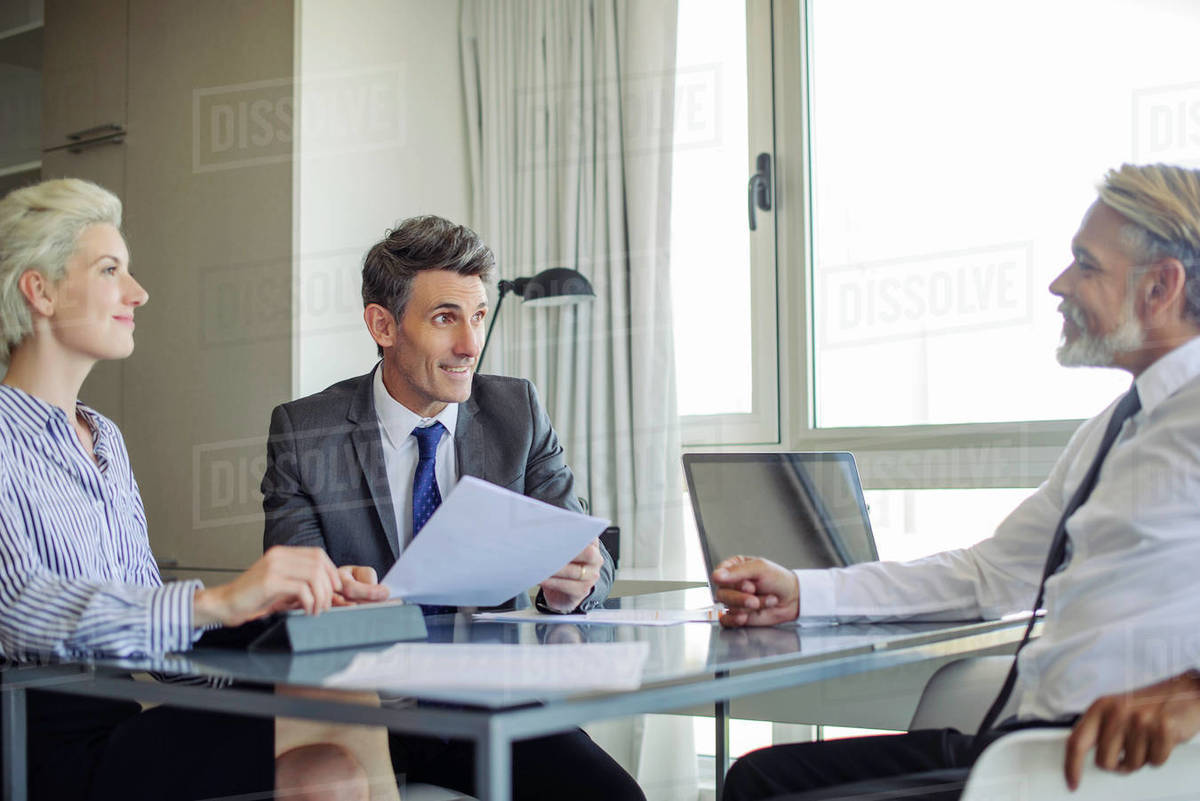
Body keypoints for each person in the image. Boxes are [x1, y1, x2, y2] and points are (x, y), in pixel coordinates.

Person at [711, 163, 1200, 801]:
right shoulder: (1117, 426)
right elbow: (988, 575)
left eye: (1086, 264)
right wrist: (803, 592)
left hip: (1103, 766)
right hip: (1024, 741)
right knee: (759, 776)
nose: (1059, 284)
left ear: (1160, 286)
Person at [0, 178, 392, 801]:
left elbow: (154, 636)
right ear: (39, 290)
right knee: (339, 712)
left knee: (333, 750)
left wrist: (275, 616)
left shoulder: (103, 438)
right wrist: (222, 602)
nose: (138, 292)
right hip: (33, 747)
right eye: (111, 270)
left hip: (118, 716)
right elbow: (20, 610)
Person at [261, 214, 643, 800]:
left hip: (494, 707)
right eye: (445, 318)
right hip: (366, 712)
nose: (471, 345)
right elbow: (292, 600)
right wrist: (338, 597)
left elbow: (587, 557)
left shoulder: (517, 411)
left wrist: (571, 586)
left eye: (479, 316)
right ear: (382, 325)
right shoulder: (306, 434)